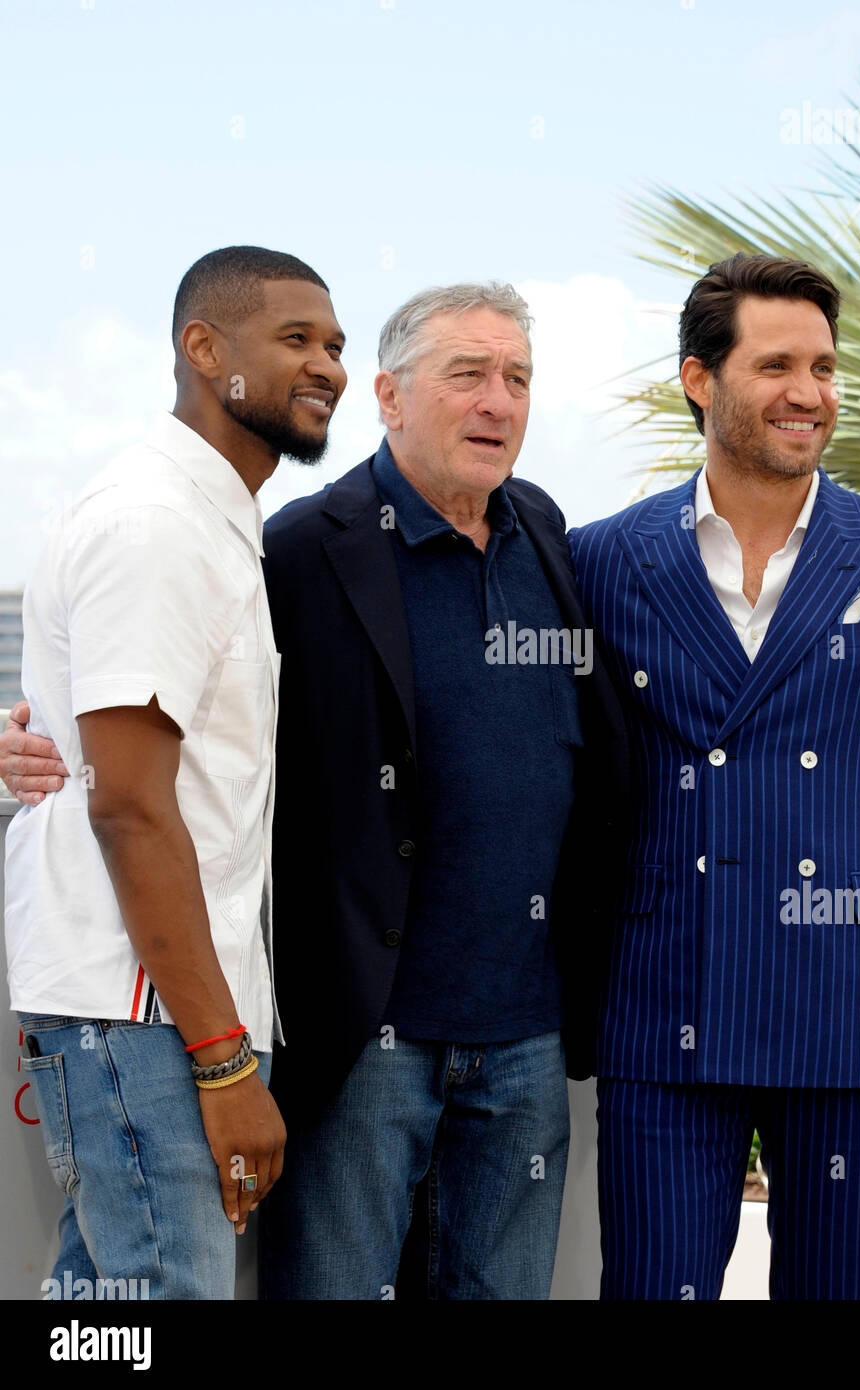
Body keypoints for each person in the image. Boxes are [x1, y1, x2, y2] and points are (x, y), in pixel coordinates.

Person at [1, 280, 628, 1301]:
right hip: (357, 1043)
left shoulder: (543, 535)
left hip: (522, 1037)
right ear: (389, 396)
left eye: (516, 378)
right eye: (467, 374)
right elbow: (136, 731)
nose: (497, 402)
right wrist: (31, 735)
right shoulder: (292, 547)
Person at [568, 253, 860, 1300]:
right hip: (663, 1007)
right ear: (698, 378)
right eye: (774, 364)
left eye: (822, 365)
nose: (807, 392)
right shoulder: (598, 559)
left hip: (851, 1014)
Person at [2, 244, 347, 1298]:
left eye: (333, 343)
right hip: (143, 1015)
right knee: (161, 1296)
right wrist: (222, 1058)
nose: (326, 365)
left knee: (105, 1302)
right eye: (295, 340)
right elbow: (134, 810)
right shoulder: (154, 521)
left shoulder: (213, 520)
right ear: (205, 349)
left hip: (156, 1015)